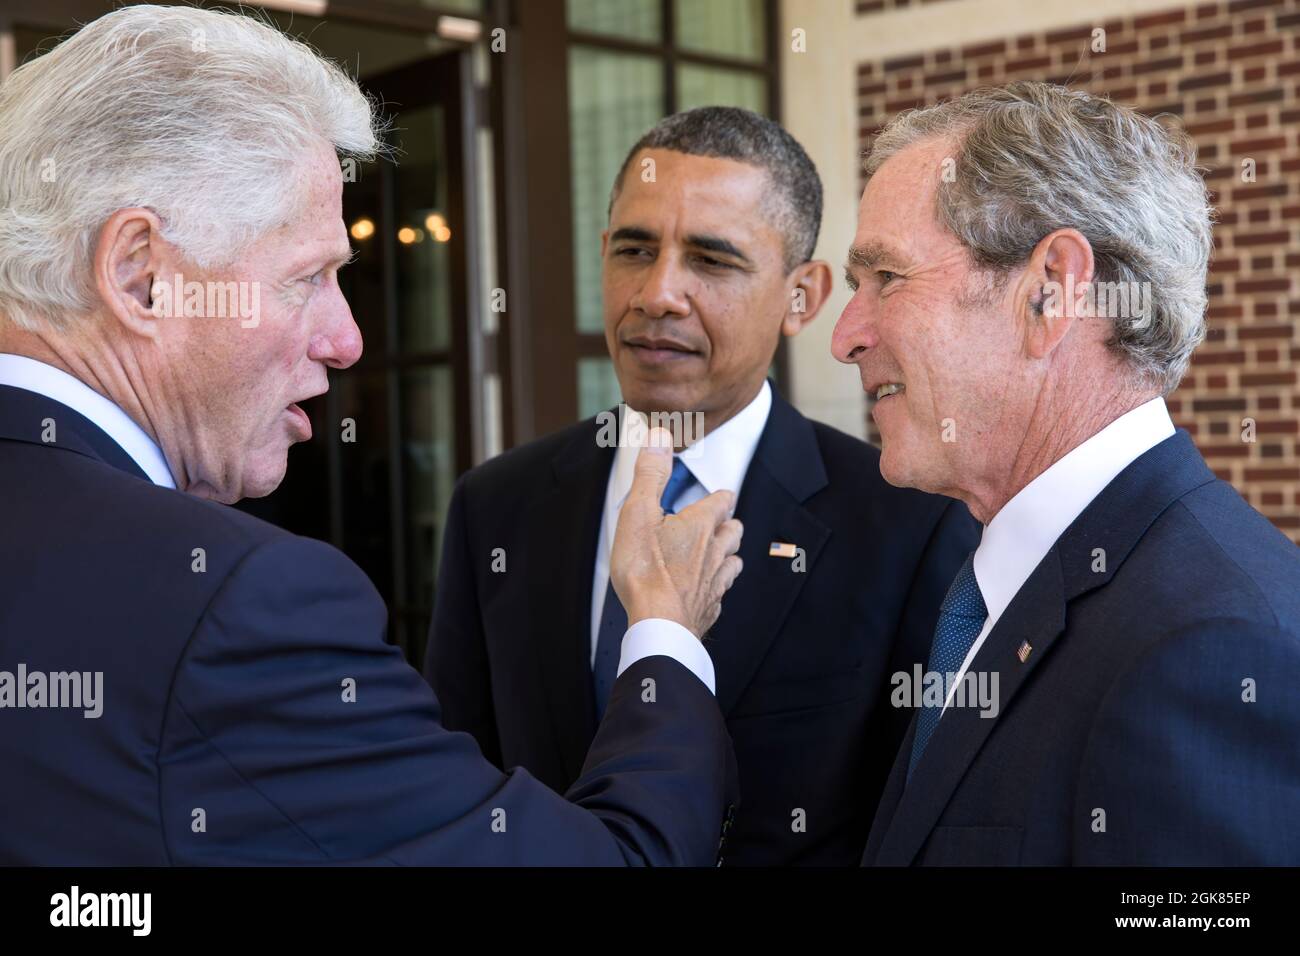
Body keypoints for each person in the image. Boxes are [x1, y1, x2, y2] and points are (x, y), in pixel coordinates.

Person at [0, 4, 743, 866]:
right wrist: (663, 632)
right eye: (307, 276)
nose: (347, 340)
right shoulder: (240, 607)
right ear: (141, 276)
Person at [425, 107, 979, 865]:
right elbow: (458, 785)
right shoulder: (497, 505)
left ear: (803, 297)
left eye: (712, 261)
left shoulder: (908, 524)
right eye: (634, 249)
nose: (657, 293)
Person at [832, 81, 1300, 865]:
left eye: (887, 278)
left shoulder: (1213, 644)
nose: (847, 335)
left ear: (1050, 292)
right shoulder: (1002, 581)